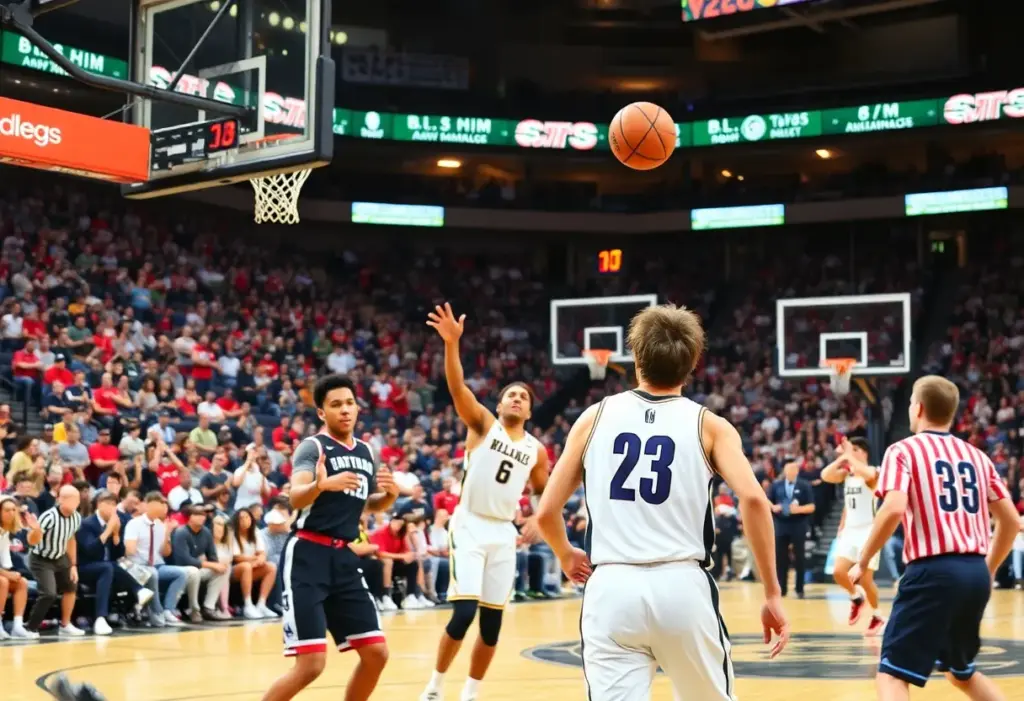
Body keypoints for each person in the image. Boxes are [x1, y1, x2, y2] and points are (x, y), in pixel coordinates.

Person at [535, 303, 789, 701]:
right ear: (692, 364)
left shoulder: (593, 418)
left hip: (611, 587)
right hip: (682, 585)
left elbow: (546, 512)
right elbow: (755, 500)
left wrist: (566, 553)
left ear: (635, 357)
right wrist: (772, 592)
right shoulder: (710, 425)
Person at [850, 375, 1019, 700]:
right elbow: (1010, 521)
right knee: (962, 673)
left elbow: (893, 507)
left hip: (932, 571)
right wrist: (990, 567)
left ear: (918, 408)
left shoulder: (902, 451)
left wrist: (862, 560)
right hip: (973, 574)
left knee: (891, 675)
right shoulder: (977, 456)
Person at [420, 303, 550, 701]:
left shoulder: (537, 450)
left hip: (502, 532)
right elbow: (458, 387)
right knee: (462, 614)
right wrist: (451, 345)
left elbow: (546, 493)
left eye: (523, 397)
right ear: (498, 405)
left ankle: (470, 693)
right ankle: (434, 687)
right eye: (510, 394)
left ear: (529, 410)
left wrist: (539, 521)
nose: (515, 399)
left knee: (491, 626)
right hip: (471, 524)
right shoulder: (483, 425)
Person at [261, 374, 400, 701]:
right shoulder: (313, 447)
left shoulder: (367, 452)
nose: (344, 410)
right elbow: (296, 497)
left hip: (343, 558)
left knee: (376, 653)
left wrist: (390, 497)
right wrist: (320, 486)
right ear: (322, 412)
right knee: (311, 665)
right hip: (308, 554)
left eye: (349, 403)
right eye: (335, 405)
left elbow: (366, 504)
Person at [820, 437, 886, 635]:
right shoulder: (847, 474)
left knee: (866, 580)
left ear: (864, 452)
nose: (850, 453)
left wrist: (848, 454)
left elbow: (866, 473)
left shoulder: (873, 472)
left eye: (855, 450)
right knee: (839, 573)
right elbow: (825, 475)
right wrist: (842, 459)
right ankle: (856, 597)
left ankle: (877, 615)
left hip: (868, 532)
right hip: (850, 531)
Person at [77, 490, 154, 634]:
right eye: (108, 504)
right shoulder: (87, 524)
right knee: (108, 568)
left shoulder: (115, 523)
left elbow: (118, 554)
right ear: (99, 505)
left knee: (114, 567)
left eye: (114, 504)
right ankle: (102, 616)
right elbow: (90, 551)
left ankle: (120, 610)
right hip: (83, 567)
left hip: (106, 567)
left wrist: (116, 535)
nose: (113, 508)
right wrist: (108, 531)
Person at [25, 485, 85, 636]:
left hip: (60, 556)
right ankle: (30, 627)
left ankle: (65, 625)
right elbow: (32, 542)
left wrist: (73, 565)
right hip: (41, 558)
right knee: (49, 594)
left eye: (77, 499)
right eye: (73, 499)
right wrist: (36, 530)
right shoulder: (49, 516)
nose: (76, 502)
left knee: (71, 586)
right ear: (61, 500)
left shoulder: (76, 517)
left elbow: (71, 540)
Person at [767, 459, 816, 598]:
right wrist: (773, 507)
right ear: (784, 471)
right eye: (788, 469)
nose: (790, 472)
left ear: (797, 471)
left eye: (793, 469)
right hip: (781, 525)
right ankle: (781, 589)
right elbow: (767, 500)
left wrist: (798, 509)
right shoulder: (776, 485)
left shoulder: (805, 485)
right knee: (780, 558)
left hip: (798, 525)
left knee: (799, 557)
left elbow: (812, 506)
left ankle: (799, 589)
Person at [0, 494, 41, 640]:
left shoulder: (5, 533)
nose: (11, 513)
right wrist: (7, 574)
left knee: (21, 582)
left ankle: (18, 626)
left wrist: (35, 529)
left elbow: (6, 564)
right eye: (7, 510)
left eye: (13, 510)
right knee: (3, 582)